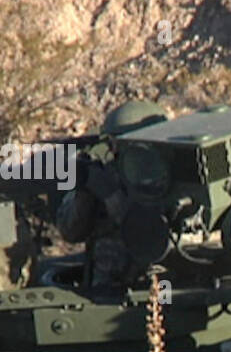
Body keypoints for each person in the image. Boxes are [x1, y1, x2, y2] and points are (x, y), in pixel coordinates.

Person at [56, 100, 168, 292]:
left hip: (162, 288)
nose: (113, 148)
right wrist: (85, 190)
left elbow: (149, 235)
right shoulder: (106, 173)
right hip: (107, 289)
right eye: (111, 142)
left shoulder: (170, 180)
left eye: (120, 142)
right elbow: (70, 232)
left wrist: (112, 197)